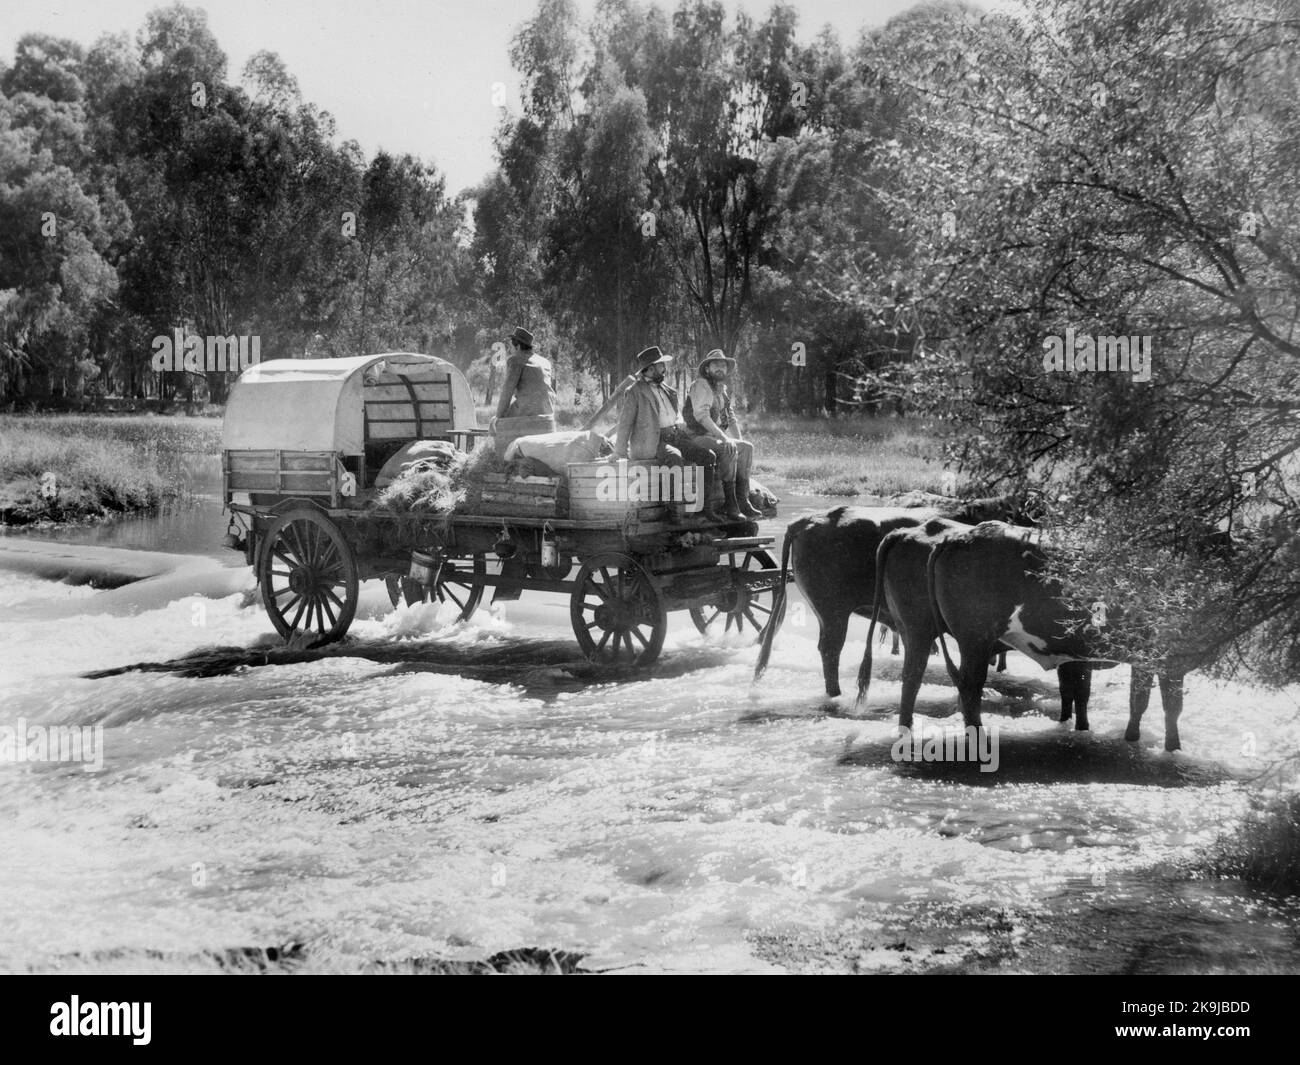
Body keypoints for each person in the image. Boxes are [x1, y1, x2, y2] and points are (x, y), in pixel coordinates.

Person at [614, 345, 725, 524]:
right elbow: (625, 423)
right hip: (651, 439)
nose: (664, 369)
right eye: (660, 366)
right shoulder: (635, 392)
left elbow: (676, 413)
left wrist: (679, 421)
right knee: (674, 457)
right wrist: (619, 452)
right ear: (649, 368)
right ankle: (672, 512)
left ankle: (704, 509)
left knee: (707, 456)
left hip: (674, 435)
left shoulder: (667, 390)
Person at [684, 349, 762, 520]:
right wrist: (725, 438)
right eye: (716, 365)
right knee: (727, 447)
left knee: (747, 448)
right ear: (707, 369)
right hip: (695, 437)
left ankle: (743, 500)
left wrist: (738, 442)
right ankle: (731, 504)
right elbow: (702, 416)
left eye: (723, 365)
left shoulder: (722, 390)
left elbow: (731, 419)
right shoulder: (701, 385)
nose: (721, 368)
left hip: (711, 437)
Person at [493, 326, 556, 426]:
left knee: (495, 423)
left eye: (510, 347)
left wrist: (498, 417)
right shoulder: (545, 362)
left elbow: (507, 392)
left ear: (517, 346)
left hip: (527, 412)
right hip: (548, 413)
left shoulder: (515, 360)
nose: (509, 350)